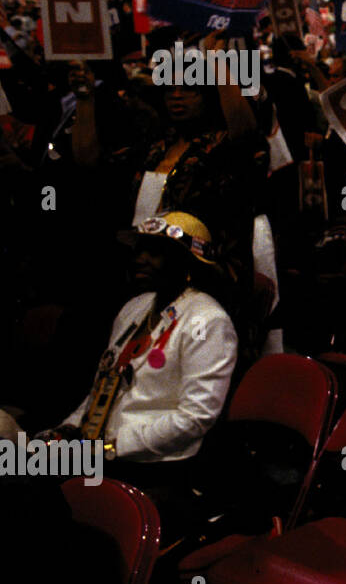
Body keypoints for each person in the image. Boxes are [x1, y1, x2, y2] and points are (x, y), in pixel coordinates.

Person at [38, 211, 238, 534]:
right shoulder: (135, 307)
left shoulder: (207, 321)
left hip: (153, 468)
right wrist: (66, 429)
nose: (141, 259)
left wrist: (111, 446)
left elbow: (196, 418)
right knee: (19, 461)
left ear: (186, 263)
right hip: (99, 452)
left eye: (155, 252)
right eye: (140, 249)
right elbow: (103, 387)